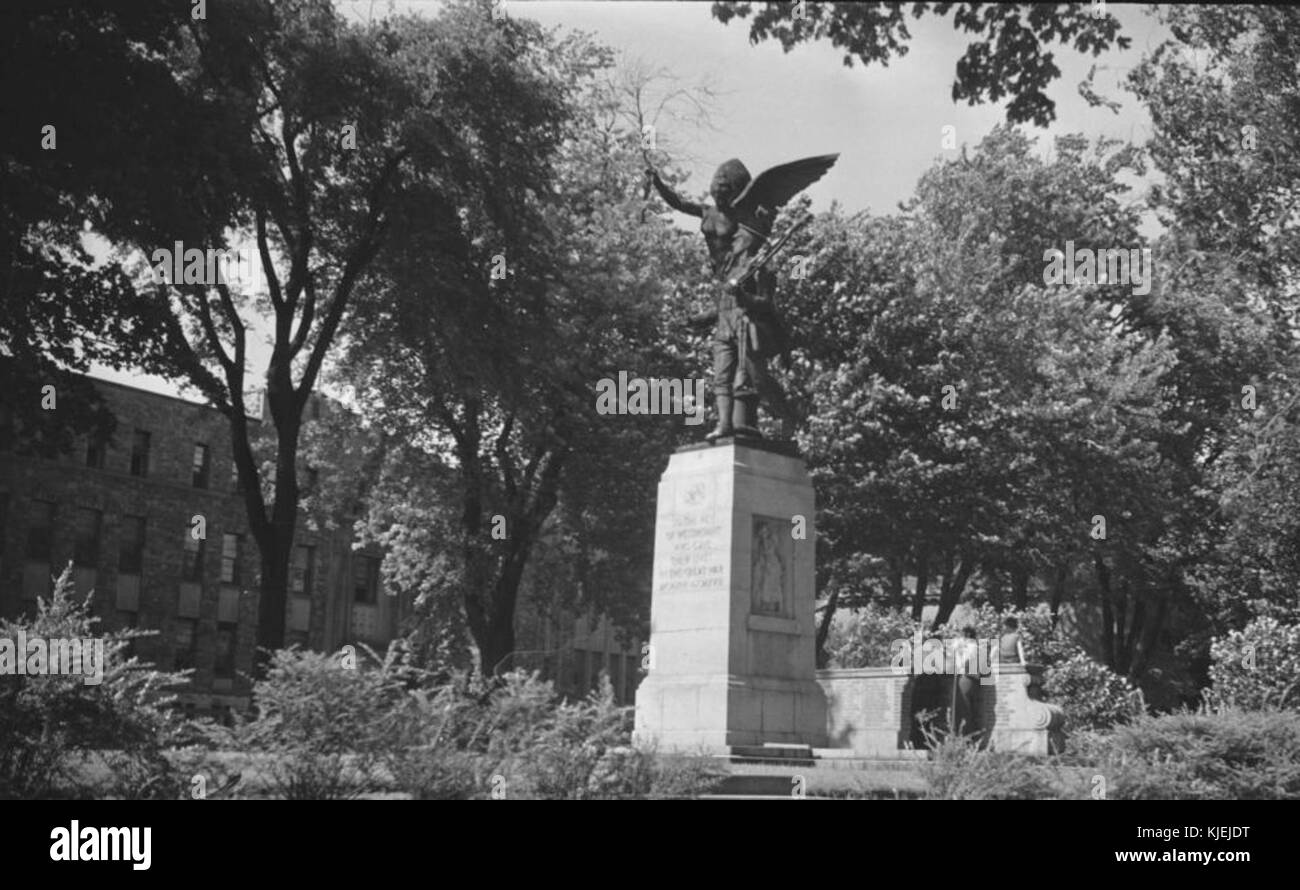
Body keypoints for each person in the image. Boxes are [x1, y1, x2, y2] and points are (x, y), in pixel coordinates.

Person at [646, 154, 837, 440]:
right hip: (726, 322)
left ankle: (787, 415)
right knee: (721, 376)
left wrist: (743, 297)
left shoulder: (759, 267)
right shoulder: (724, 266)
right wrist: (704, 317)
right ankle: (724, 425)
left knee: (753, 378)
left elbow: (766, 304)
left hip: (747, 324)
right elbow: (679, 203)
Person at [950, 626, 981, 736]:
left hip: (967, 677)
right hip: (968, 678)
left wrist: (959, 649)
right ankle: (967, 736)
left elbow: (965, 662)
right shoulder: (971, 646)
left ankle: (965, 736)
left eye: (962, 635)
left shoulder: (972, 646)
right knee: (966, 709)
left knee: (964, 708)